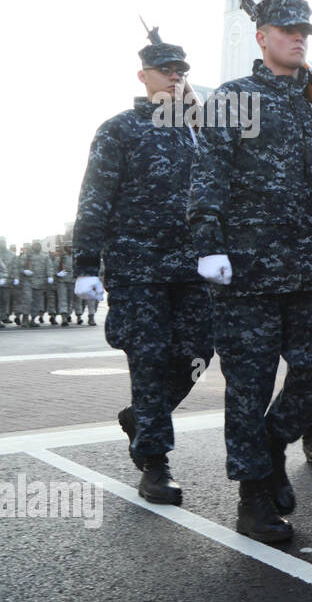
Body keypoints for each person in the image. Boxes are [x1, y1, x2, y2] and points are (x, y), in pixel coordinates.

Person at [189, 0, 312, 542]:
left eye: (305, 30)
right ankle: (252, 496)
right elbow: (208, 173)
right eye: (287, 30)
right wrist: (208, 243)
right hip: (248, 271)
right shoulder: (235, 98)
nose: (299, 38)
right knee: (248, 387)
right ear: (262, 37)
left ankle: (274, 442)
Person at [73, 40, 213, 504]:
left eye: (180, 70)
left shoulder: (197, 132)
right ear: (144, 76)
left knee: (197, 354)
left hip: (191, 269)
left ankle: (142, 418)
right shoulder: (119, 130)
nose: (174, 76)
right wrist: (86, 265)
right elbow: (94, 200)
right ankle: (155, 462)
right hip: (139, 271)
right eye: (165, 69)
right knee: (150, 363)